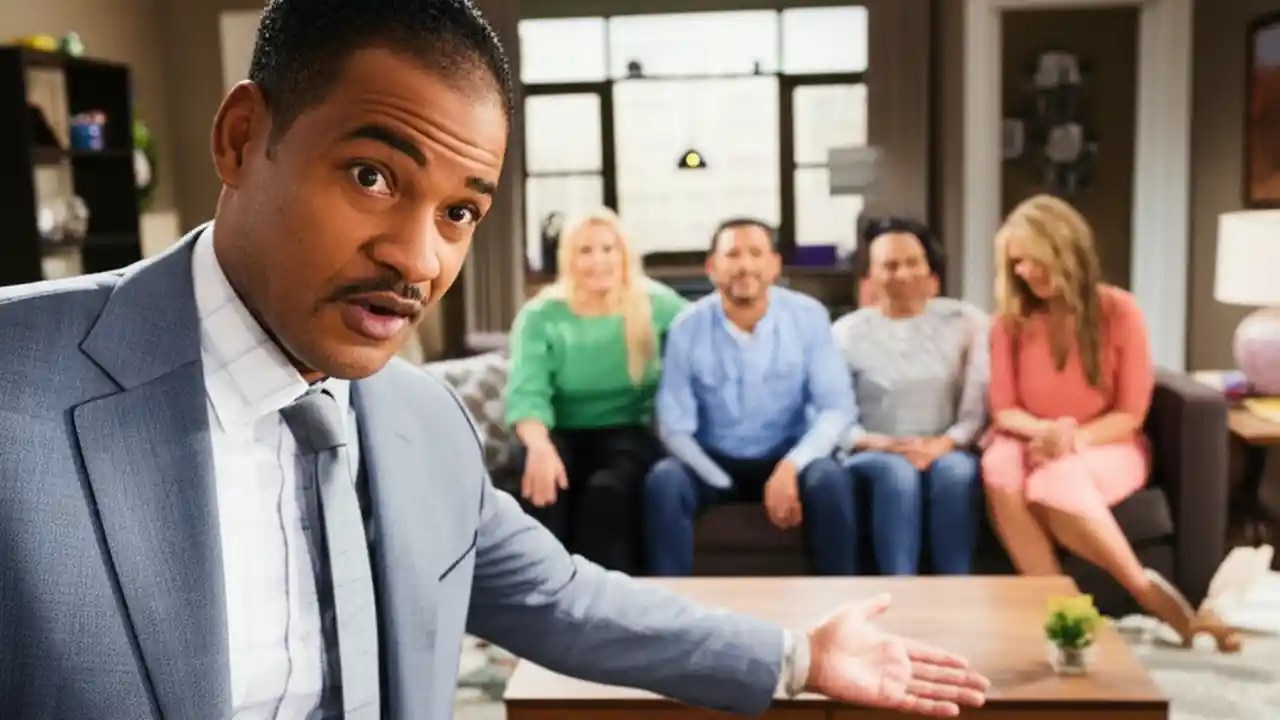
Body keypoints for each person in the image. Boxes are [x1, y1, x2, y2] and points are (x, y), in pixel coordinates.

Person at [0, 2, 989, 718]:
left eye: (460, 212)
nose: (418, 257)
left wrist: (795, 655)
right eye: (372, 174)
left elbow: (560, 598)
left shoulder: (419, 419)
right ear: (241, 136)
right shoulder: (17, 379)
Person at [981, 194, 1240, 652]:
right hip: (1028, 435)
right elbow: (1004, 408)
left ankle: (1149, 596)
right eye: (1015, 263)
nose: (1022, 272)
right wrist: (1044, 432)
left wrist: (1072, 438)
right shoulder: (1008, 324)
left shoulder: (1119, 311)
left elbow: (1130, 414)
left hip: (1106, 440)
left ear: (1065, 251)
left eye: (1032, 260)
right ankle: (1065, 612)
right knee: (1001, 472)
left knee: (1052, 485)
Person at [644, 218, 857, 576]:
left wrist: (791, 466)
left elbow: (836, 408)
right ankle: (671, 614)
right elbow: (674, 427)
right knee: (664, 481)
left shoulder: (808, 317)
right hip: (712, 461)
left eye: (756, 253)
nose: (745, 266)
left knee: (830, 480)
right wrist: (720, 481)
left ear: (774, 265)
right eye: (732, 254)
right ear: (712, 268)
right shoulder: (686, 327)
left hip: (787, 456)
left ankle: (840, 609)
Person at [505, 207, 687, 574]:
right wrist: (540, 448)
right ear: (568, 259)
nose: (598, 261)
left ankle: (608, 606)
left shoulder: (657, 304)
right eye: (585, 251)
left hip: (627, 431)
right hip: (555, 431)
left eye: (609, 249)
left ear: (625, 255)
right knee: (540, 482)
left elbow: (707, 335)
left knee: (608, 491)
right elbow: (528, 393)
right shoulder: (541, 315)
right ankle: (538, 595)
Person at [830, 218, 987, 576]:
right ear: (870, 274)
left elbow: (977, 407)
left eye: (913, 262)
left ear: (931, 269)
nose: (902, 274)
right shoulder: (844, 334)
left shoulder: (967, 322)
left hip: (948, 447)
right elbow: (833, 414)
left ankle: (956, 592)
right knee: (896, 475)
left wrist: (944, 444)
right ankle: (898, 592)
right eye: (889, 265)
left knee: (956, 475)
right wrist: (880, 444)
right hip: (872, 451)